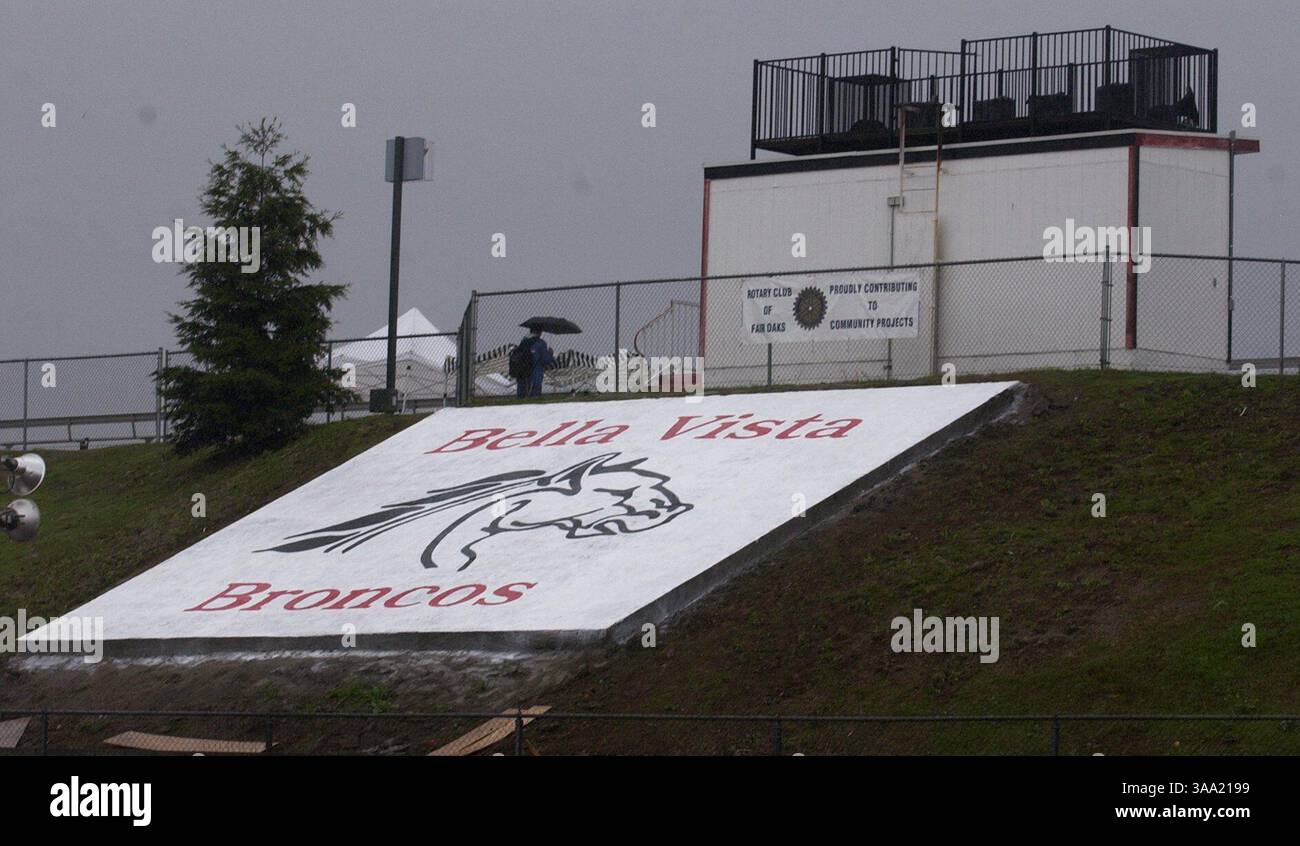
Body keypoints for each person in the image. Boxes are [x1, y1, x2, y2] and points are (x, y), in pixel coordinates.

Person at [514, 327, 555, 398]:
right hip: (535, 372)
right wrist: (550, 353)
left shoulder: (523, 342)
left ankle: (521, 399)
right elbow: (545, 360)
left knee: (521, 393)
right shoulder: (541, 343)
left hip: (521, 372)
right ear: (540, 332)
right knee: (534, 396)